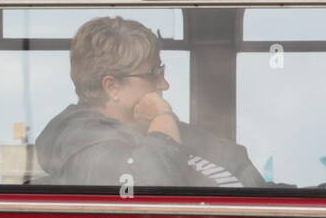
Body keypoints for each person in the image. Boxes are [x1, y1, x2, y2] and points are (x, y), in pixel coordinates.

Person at [35, 16, 263, 188]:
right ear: (113, 87)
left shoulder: (159, 130)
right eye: (154, 73)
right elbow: (157, 190)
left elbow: (240, 168)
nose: (165, 84)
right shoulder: (82, 145)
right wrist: (163, 118)